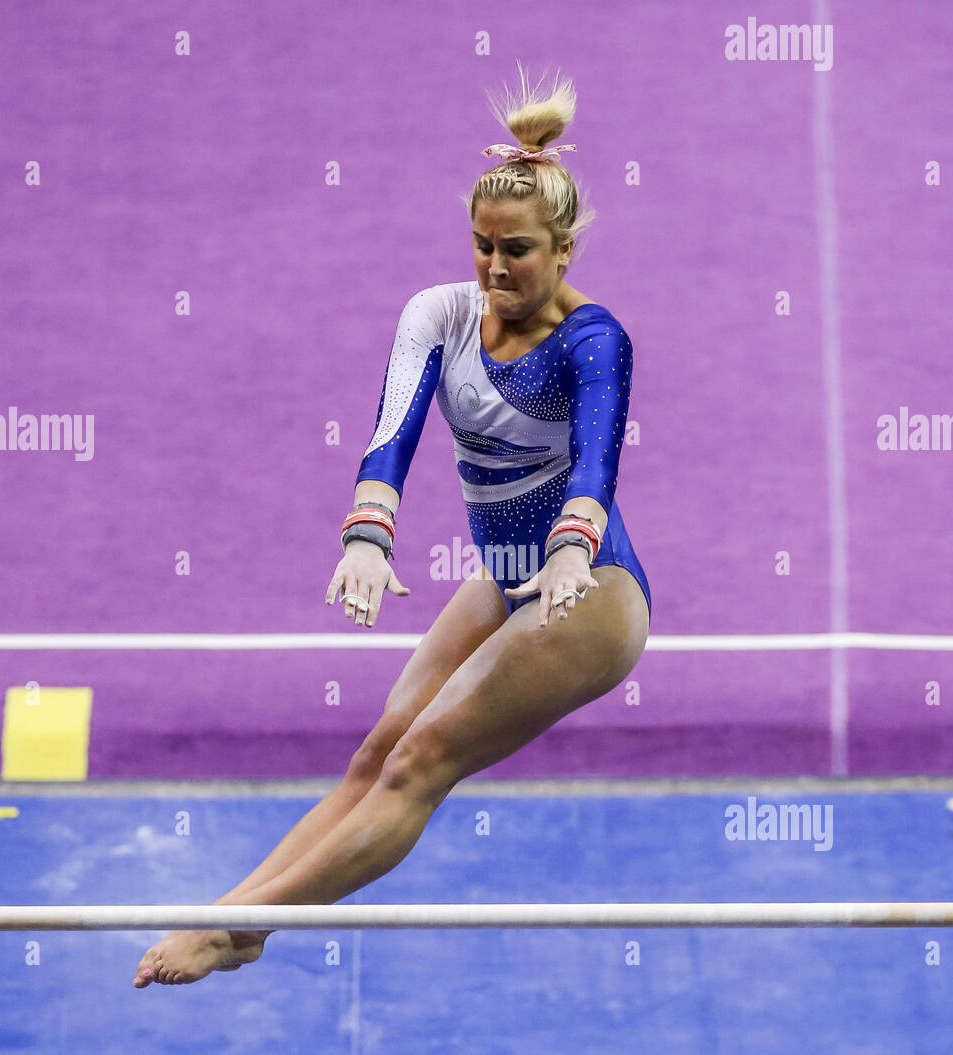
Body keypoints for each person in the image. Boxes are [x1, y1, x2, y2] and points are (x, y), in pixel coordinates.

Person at [134, 65, 651, 987]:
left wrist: (573, 545)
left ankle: (240, 926)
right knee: (376, 749)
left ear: (565, 249)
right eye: (483, 246)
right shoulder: (440, 315)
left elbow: (595, 464)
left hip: (588, 596)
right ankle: (237, 918)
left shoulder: (593, 340)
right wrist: (368, 538)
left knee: (420, 760)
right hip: (507, 578)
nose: (496, 269)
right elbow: (393, 433)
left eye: (519, 250)